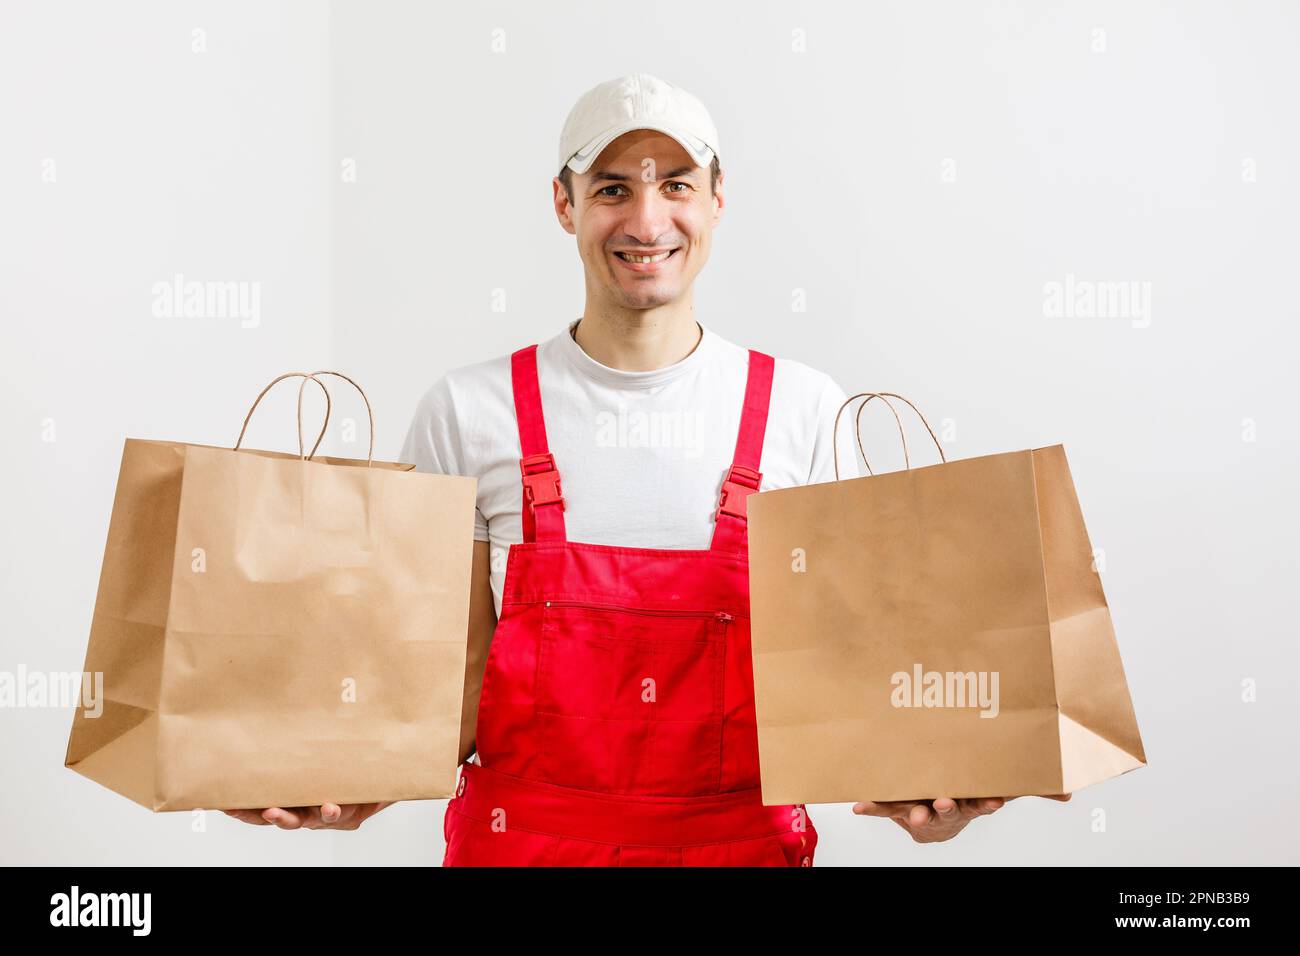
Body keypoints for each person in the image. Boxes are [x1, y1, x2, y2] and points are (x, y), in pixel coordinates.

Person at [223, 72, 1068, 862]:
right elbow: (445, 681)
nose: (647, 221)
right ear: (564, 205)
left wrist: (935, 787)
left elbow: (859, 680)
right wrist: (333, 774)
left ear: (717, 200)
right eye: (613, 189)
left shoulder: (805, 411)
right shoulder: (466, 411)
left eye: (676, 186)